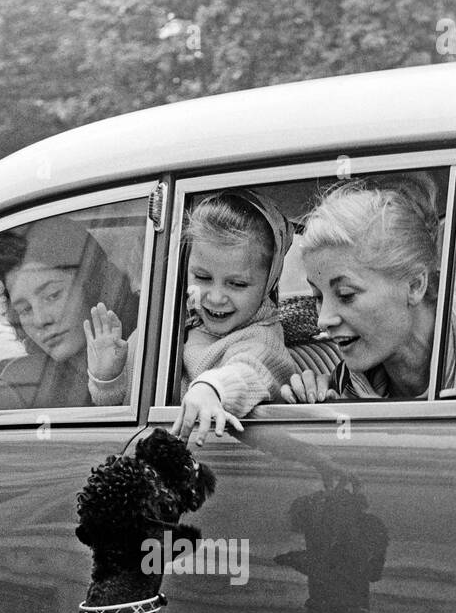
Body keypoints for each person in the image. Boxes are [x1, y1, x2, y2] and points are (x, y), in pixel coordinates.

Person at [85, 189, 297, 443]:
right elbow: (118, 409)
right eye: (203, 277)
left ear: (269, 283)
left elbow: (249, 372)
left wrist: (212, 389)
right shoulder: (169, 320)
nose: (216, 297)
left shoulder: (262, 337)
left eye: (237, 284)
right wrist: (109, 376)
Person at [279, 174, 456, 404]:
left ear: (415, 285)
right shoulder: (345, 383)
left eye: (346, 295)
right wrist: (319, 401)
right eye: (318, 297)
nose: (322, 321)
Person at [0, 215, 140, 410]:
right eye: (24, 309)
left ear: (92, 284)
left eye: (52, 295)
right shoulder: (22, 386)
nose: (41, 320)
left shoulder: (144, 354)